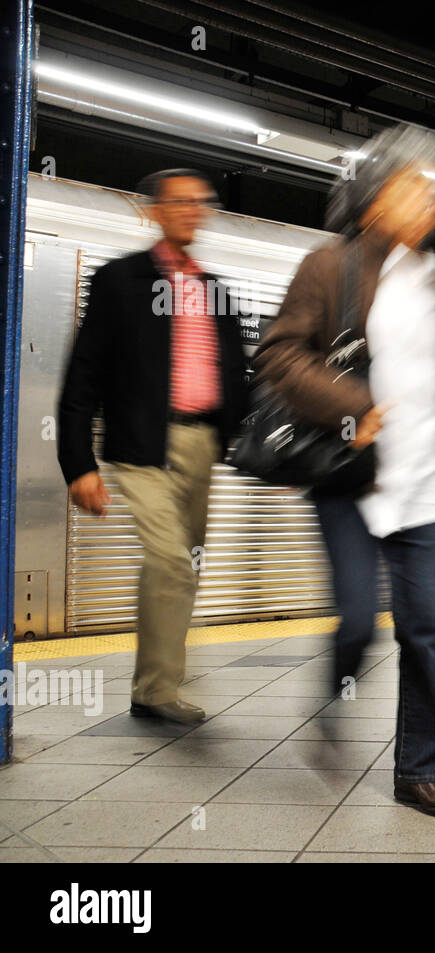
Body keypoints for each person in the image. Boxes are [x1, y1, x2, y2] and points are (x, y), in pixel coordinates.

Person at [254, 123, 435, 818]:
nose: (432, 198)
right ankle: (331, 701)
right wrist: (355, 404)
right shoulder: (329, 267)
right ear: (376, 198)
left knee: (429, 628)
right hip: (350, 477)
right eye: (416, 185)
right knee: (357, 622)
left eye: (434, 186)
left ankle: (420, 769)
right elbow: (279, 356)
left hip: (425, 485)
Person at [57, 168, 249, 726]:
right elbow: (83, 375)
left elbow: (236, 372)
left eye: (201, 202)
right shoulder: (121, 281)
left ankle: (147, 688)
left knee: (179, 562)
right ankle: (162, 689)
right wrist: (78, 464)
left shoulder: (216, 291)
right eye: (180, 202)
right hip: (142, 443)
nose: (193, 210)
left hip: (202, 444)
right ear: (155, 211)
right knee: (171, 560)